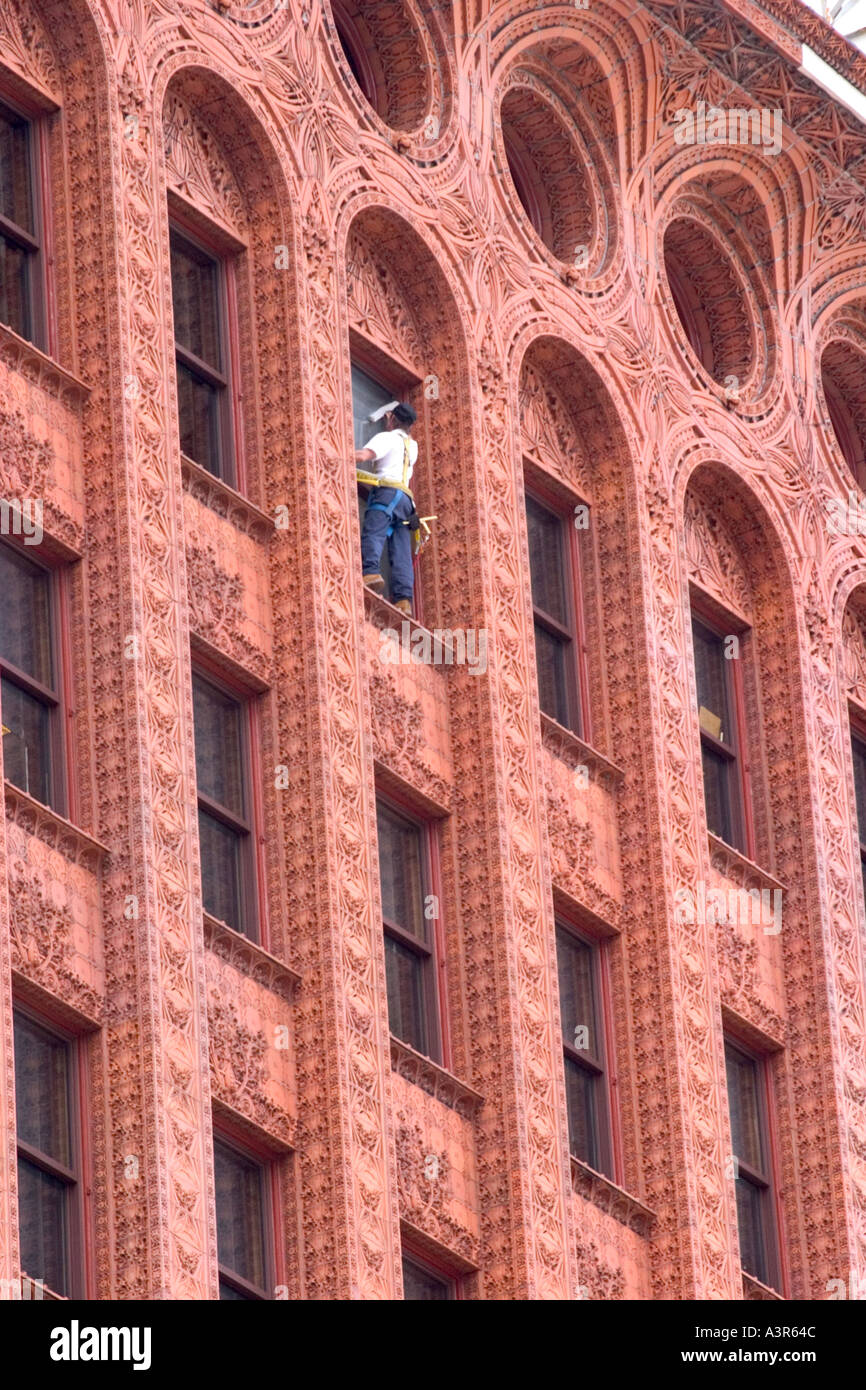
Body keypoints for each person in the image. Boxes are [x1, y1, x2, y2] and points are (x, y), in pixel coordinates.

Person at [354, 401, 419, 615]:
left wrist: (337, 453)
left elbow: (364, 456)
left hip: (387, 493)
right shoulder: (413, 446)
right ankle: (403, 599)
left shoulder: (387, 438)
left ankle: (371, 572)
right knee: (401, 548)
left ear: (392, 419)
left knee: (375, 529)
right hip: (406, 503)